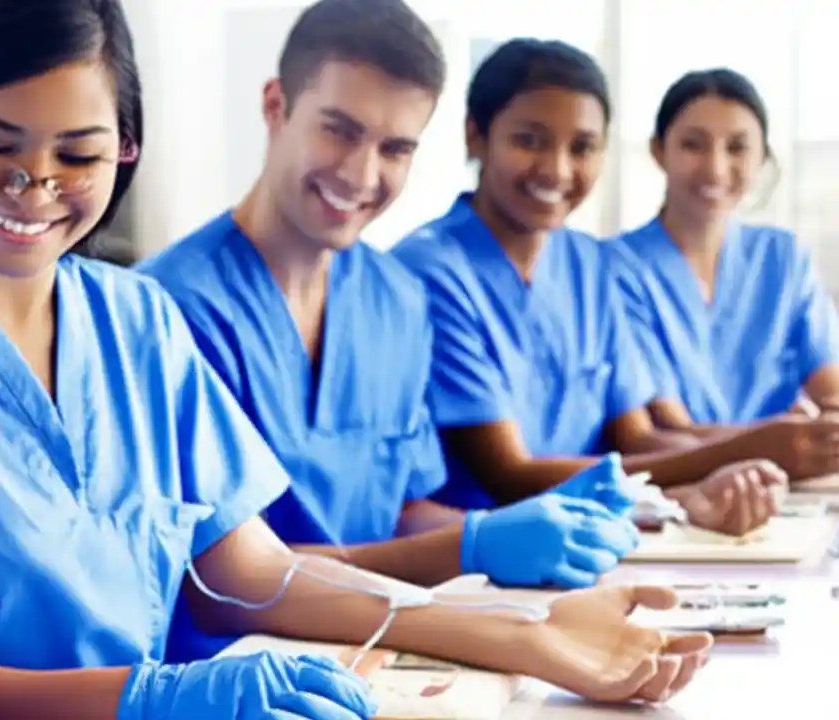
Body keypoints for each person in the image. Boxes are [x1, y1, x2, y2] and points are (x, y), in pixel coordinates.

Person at [0, 2, 711, 716]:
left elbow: (252, 576)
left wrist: (528, 634)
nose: (32, 188)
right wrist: (145, 699)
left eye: (76, 155)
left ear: (125, 149)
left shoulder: (134, 321)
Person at [140, 0, 639, 627]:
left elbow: (405, 507)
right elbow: (222, 581)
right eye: (339, 130)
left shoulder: (396, 299)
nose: (361, 173)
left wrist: (510, 529)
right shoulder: (167, 311)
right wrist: (465, 546)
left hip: (386, 644)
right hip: (240, 669)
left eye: (396, 148)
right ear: (275, 106)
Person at [389, 39, 789, 536]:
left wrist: (703, 489)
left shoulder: (591, 265)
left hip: (599, 534)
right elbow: (509, 475)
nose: (557, 169)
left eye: (582, 147)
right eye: (529, 140)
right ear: (476, 136)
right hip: (488, 550)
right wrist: (750, 449)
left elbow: (636, 438)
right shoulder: (430, 271)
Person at [609, 68, 839, 461]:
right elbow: (665, 426)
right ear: (658, 150)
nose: (715, 168)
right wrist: (780, 441)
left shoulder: (782, 259)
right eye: (693, 145)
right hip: (682, 480)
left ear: (762, 156)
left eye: (737, 148)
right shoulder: (615, 268)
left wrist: (813, 434)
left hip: (793, 487)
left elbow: (831, 393)